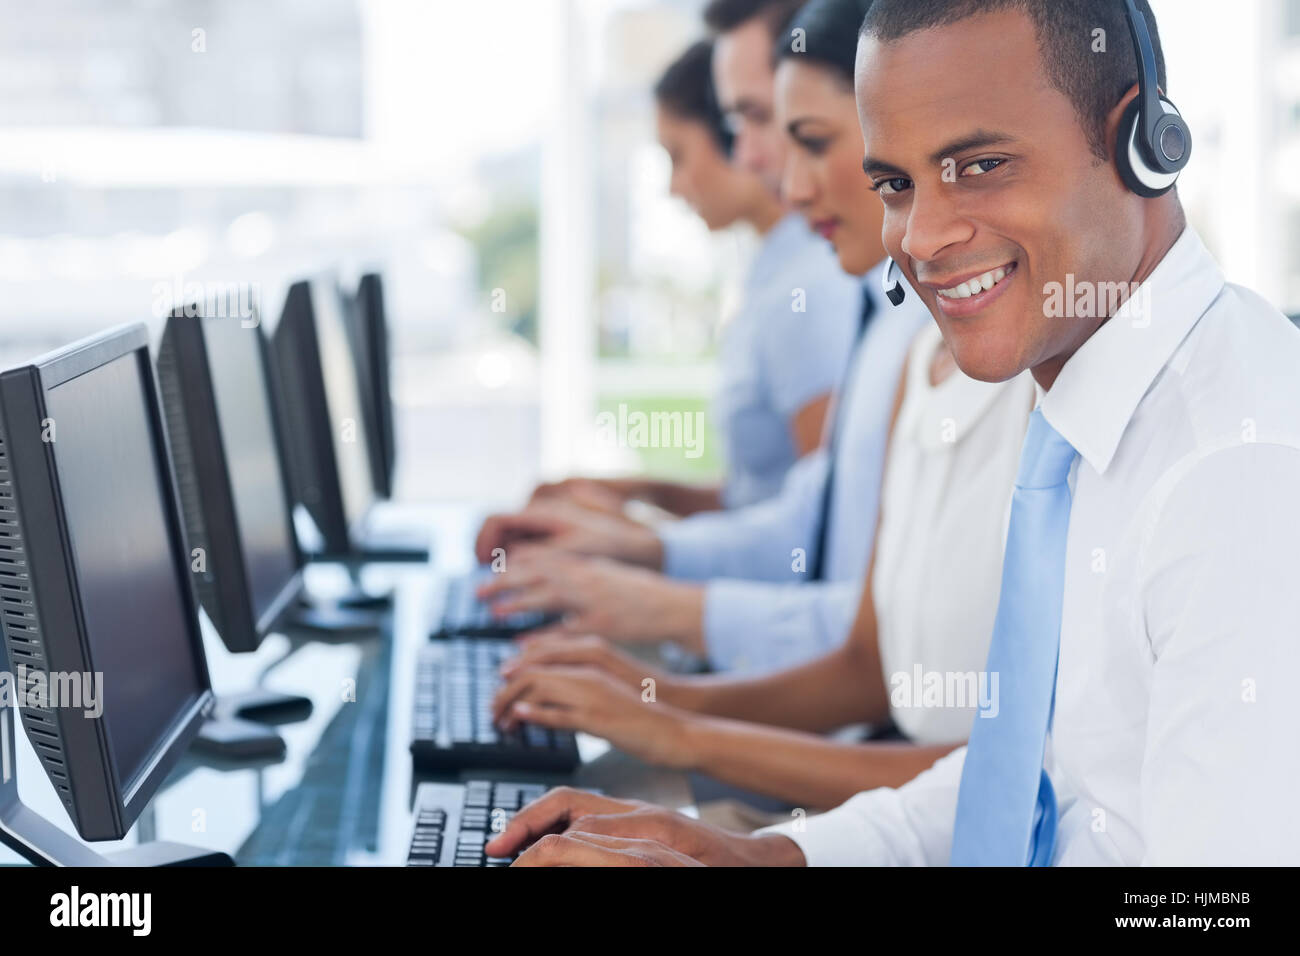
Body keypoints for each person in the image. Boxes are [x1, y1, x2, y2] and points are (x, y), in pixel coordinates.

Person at [487, 0, 1300, 866]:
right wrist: (761, 858)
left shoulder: (1235, 471)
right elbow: (1039, 774)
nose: (923, 236)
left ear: (1142, 138)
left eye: (981, 164)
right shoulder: (1094, 408)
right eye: (896, 185)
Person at [487, 0, 1036, 813]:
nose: (775, 169)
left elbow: (1004, 771)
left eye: (798, 135)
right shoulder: (913, 346)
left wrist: (665, 681)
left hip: (881, 779)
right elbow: (855, 624)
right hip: (876, 776)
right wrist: (652, 677)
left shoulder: (994, 363)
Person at [473, 0, 930, 675]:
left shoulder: (849, 302)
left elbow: (872, 636)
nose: (758, 158)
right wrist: (636, 543)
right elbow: (809, 517)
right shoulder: (875, 305)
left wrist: (661, 642)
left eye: (760, 120)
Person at [536, 37, 857, 516]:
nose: (671, 186)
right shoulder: (773, 274)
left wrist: (640, 553)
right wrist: (638, 495)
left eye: (678, 155)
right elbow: (758, 497)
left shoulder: (807, 288)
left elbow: (815, 526)